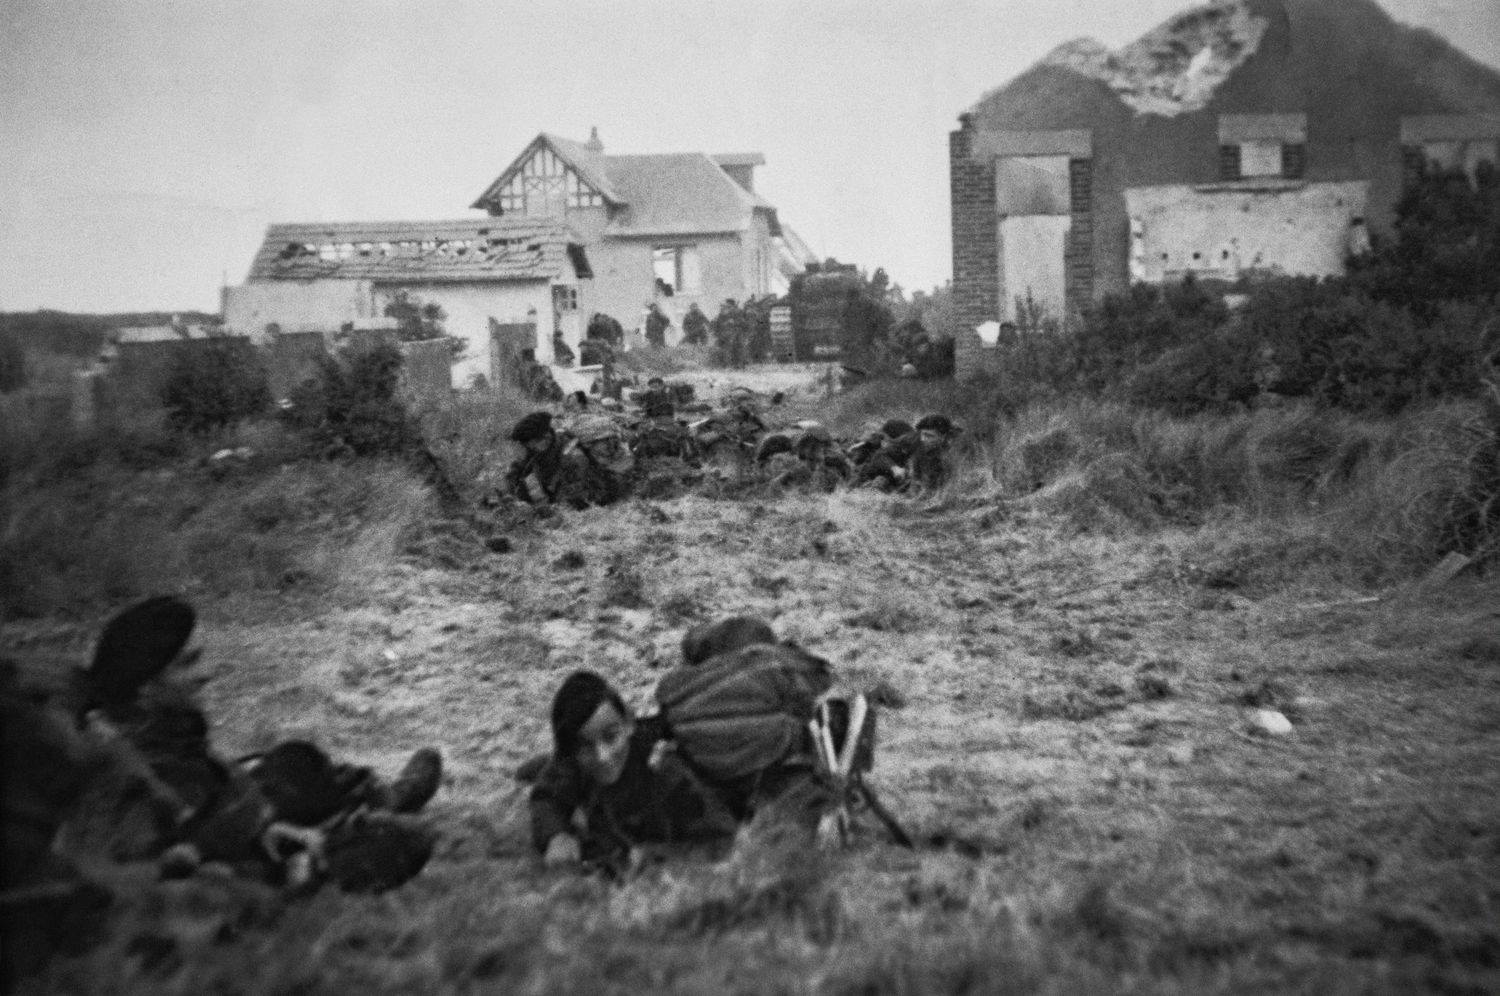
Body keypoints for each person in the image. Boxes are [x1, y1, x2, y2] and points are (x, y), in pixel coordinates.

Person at [527, 671, 737, 874]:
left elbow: (723, 841)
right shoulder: (574, 760)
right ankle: (543, 763)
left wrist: (653, 855)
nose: (602, 756)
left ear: (629, 724)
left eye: (610, 737)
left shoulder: (667, 769)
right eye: (584, 746)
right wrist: (556, 836)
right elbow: (546, 796)